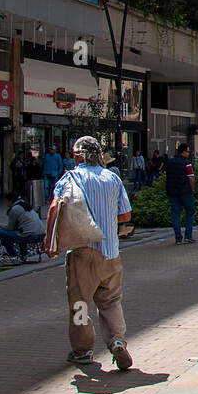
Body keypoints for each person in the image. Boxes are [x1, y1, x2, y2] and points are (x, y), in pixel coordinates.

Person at [48, 134, 133, 370]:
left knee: (79, 304)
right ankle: (117, 340)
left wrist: (50, 241)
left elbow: (55, 208)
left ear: (78, 155)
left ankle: (83, 349)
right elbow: (125, 215)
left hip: (82, 252)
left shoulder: (71, 178)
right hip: (111, 252)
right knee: (111, 301)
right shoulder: (112, 178)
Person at [0, 195, 46, 261]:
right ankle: (23, 254)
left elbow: (10, 228)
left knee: (2, 233)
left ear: (10, 201)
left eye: (7, 201)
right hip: (41, 234)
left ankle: (13, 255)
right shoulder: (25, 206)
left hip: (31, 236)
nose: (6, 204)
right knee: (21, 232)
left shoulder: (15, 209)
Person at [165, 142, 196, 243]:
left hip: (172, 192)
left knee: (175, 214)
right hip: (185, 191)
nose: (188, 153)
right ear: (183, 152)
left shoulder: (169, 162)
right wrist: (192, 189)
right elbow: (191, 178)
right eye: (187, 151)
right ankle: (188, 236)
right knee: (190, 212)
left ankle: (178, 238)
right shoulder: (187, 163)